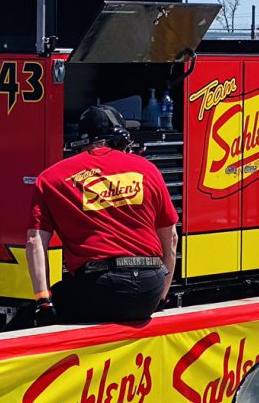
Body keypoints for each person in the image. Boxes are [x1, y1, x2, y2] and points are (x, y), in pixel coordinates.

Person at [25, 104, 177, 325]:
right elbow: (171, 238)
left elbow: (34, 241)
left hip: (98, 288)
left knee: (30, 319)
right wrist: (160, 297)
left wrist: (43, 302)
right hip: (149, 289)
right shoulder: (148, 169)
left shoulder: (50, 178)